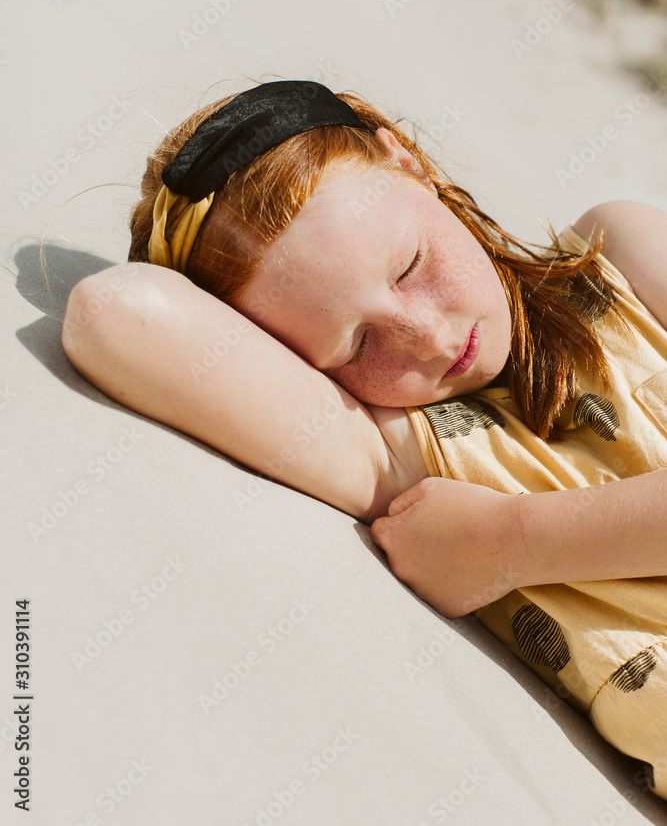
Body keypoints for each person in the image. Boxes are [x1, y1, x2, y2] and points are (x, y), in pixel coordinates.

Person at [61, 78, 667, 800]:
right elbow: (115, 315)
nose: (431, 338)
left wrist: (509, 542)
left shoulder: (623, 271)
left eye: (409, 265)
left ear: (405, 159)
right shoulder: (415, 465)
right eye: (354, 347)